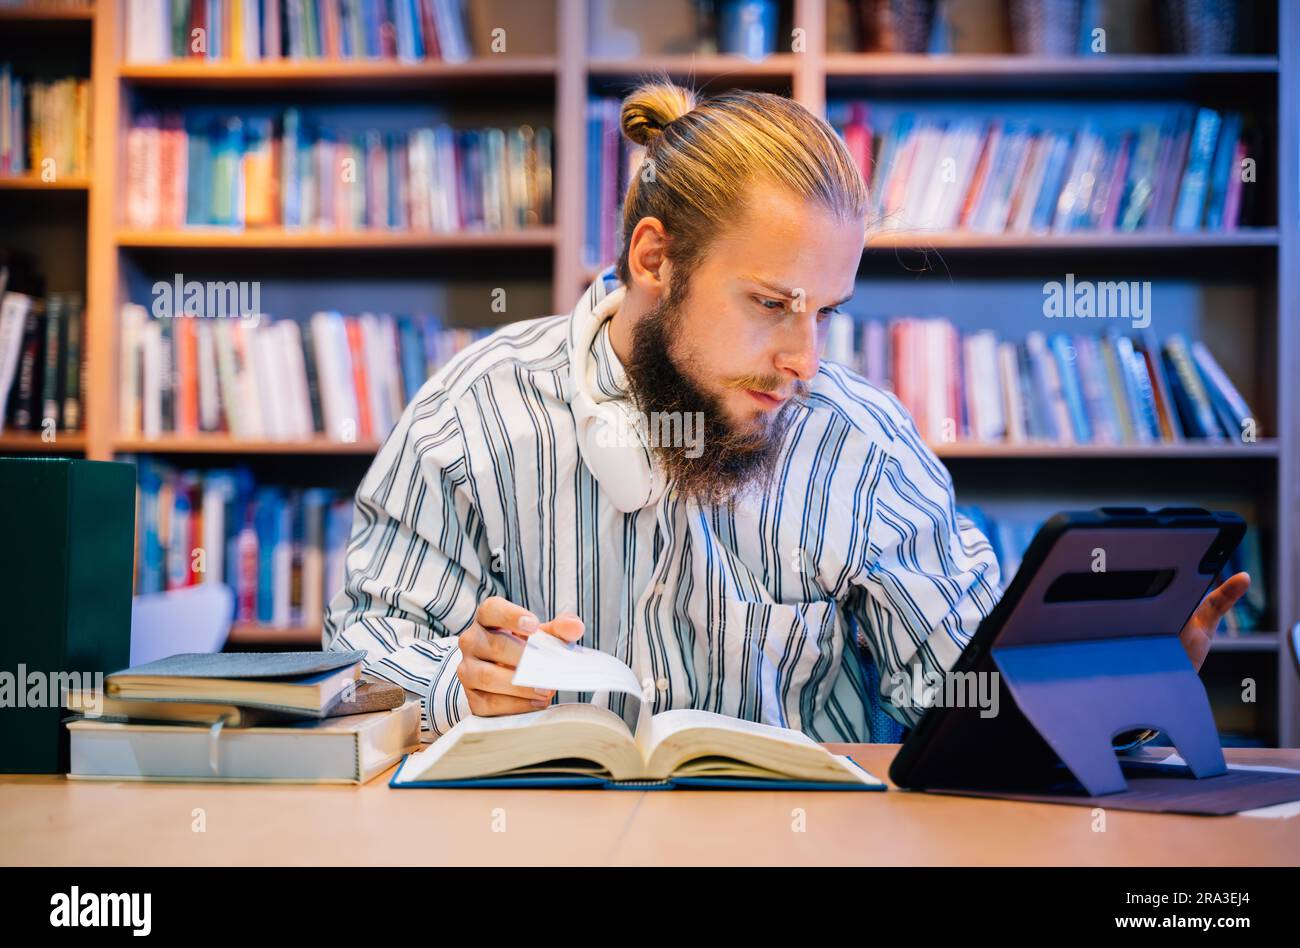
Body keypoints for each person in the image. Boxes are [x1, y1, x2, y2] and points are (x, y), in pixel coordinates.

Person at [324, 80, 1249, 741]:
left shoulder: (864, 444)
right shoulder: (472, 412)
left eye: (825, 312)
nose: (805, 362)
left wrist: (1104, 689)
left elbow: (960, 691)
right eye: (771, 304)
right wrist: (458, 682)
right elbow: (358, 655)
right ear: (655, 260)